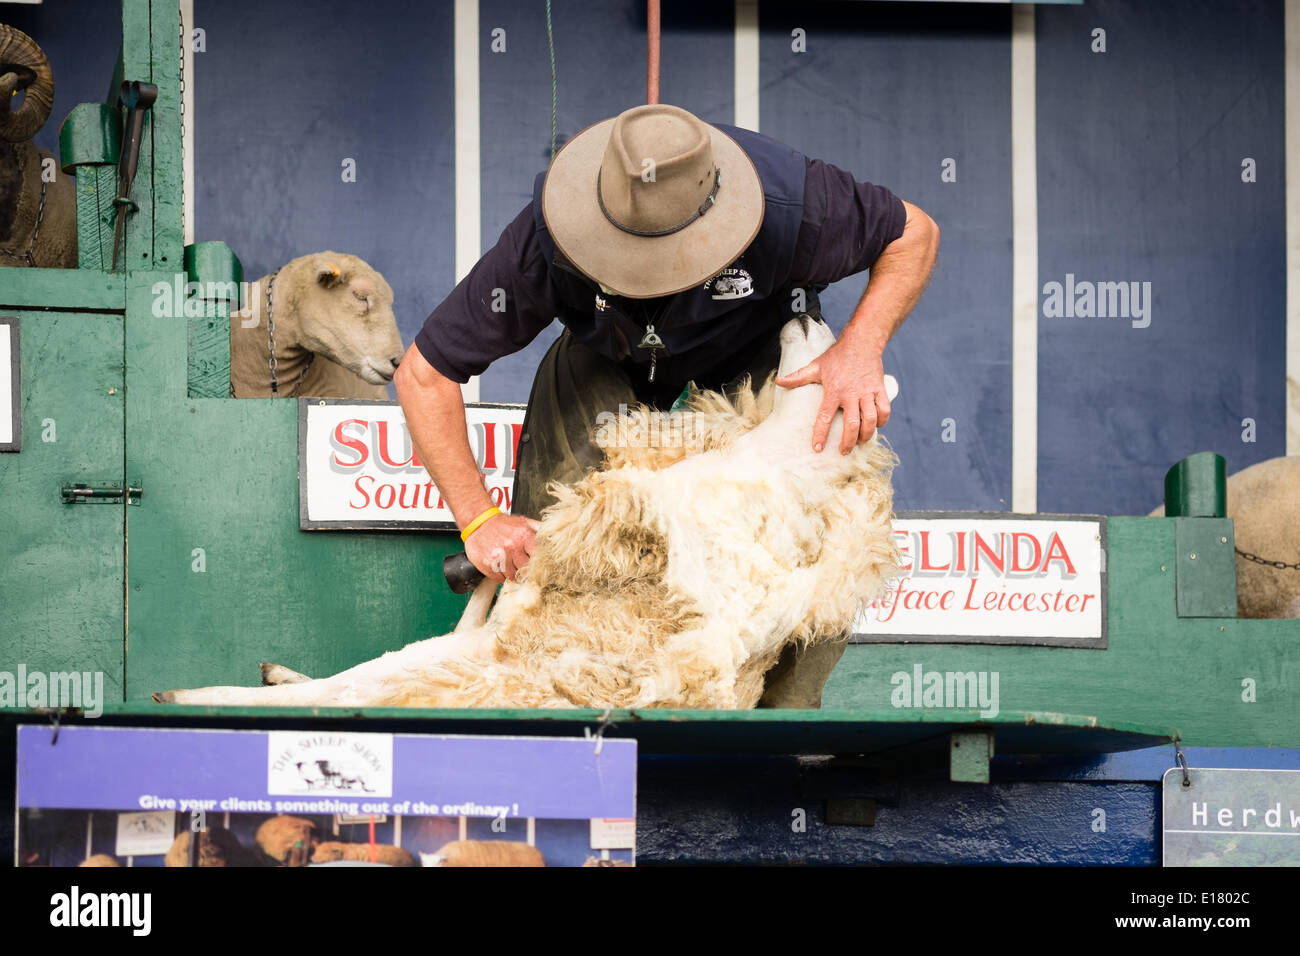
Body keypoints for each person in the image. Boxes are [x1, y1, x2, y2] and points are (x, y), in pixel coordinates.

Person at [395, 104, 939, 707]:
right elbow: (425, 373)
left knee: (821, 515)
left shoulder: (796, 205)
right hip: (607, 355)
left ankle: (781, 722)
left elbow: (913, 232)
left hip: (752, 354)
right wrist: (478, 519)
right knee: (566, 536)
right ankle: (549, 709)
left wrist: (862, 347)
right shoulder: (546, 235)